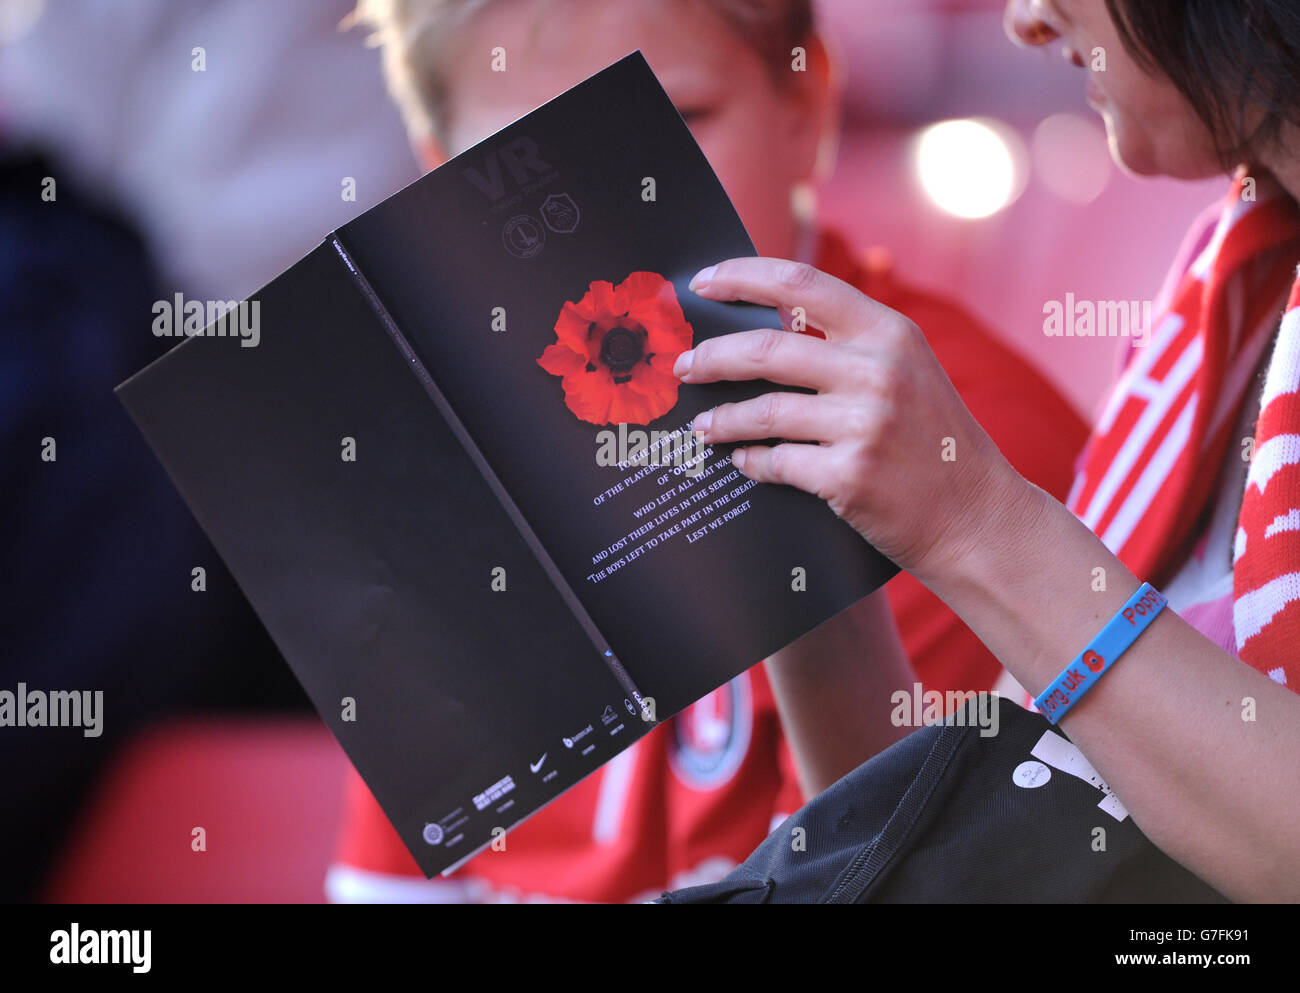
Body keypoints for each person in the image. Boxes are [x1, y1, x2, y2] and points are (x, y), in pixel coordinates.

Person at [327, 0, 1088, 903]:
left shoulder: (957, 451)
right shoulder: (446, 457)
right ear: (436, 192)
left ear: (806, 110)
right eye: (520, 167)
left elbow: (889, 872)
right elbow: (393, 887)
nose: (610, 207)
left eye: (676, 123)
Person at [673, 0, 1300, 902]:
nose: (1026, 22)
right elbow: (969, 848)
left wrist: (975, 520)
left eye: (688, 115)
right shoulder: (1221, 290)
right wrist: (794, 560)